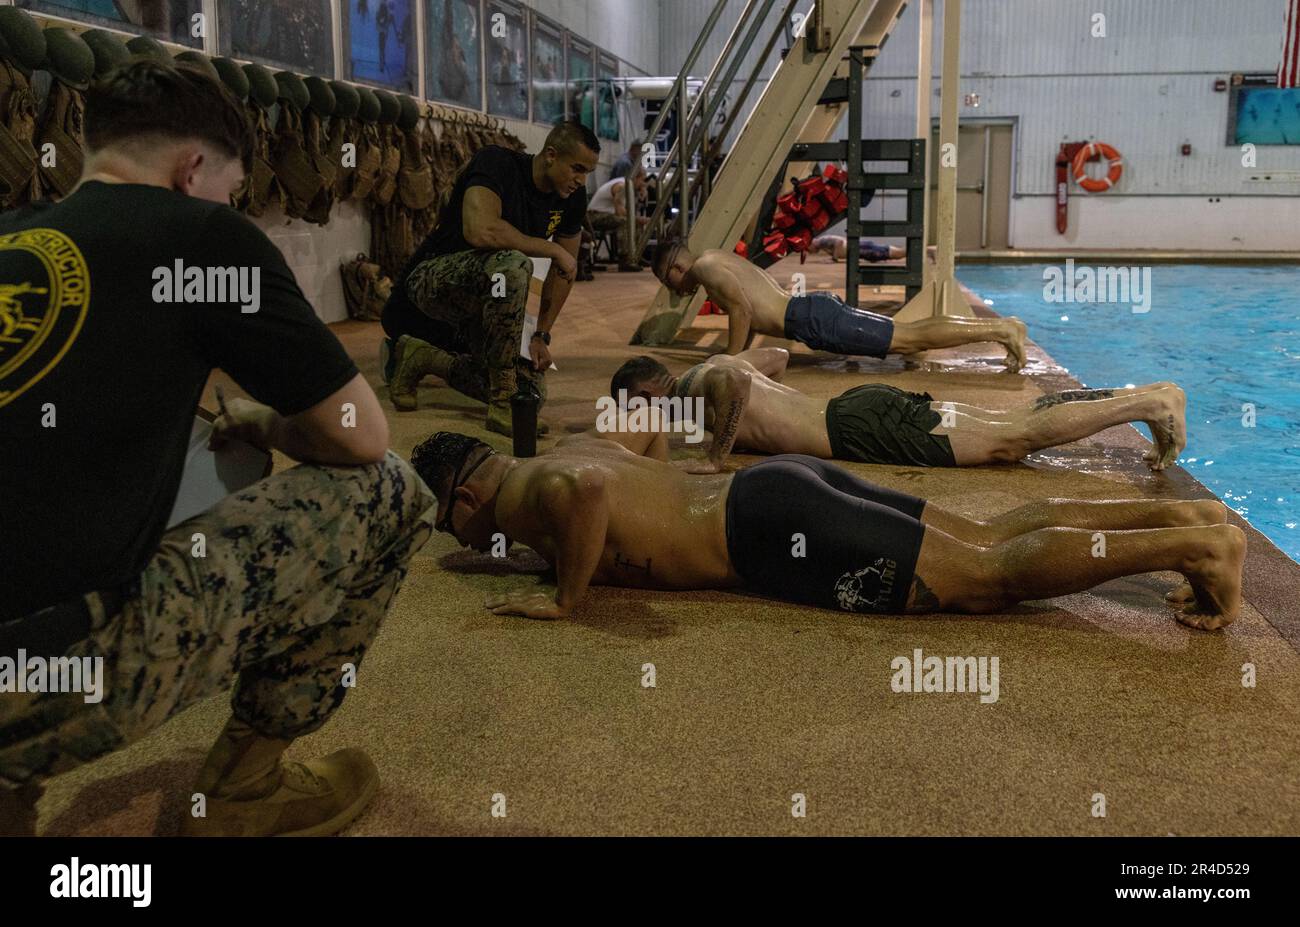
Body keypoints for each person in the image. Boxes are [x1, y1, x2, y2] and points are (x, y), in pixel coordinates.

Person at [0, 61, 435, 837]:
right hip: (39, 671)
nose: (232, 205)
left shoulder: (10, 235)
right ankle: (246, 787)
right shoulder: (201, 236)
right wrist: (266, 426)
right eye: (233, 190)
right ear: (193, 167)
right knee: (390, 489)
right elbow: (358, 432)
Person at [411, 431, 1243, 630]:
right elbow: (634, 454)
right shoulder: (553, 449)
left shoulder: (518, 495)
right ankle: (1174, 514)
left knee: (987, 575)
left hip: (767, 528)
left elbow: (590, 491)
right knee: (988, 532)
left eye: (452, 519)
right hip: (774, 488)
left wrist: (565, 599)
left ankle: (1195, 545)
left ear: (464, 490)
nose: (469, 535)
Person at [604, 349, 1187, 472]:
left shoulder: (696, 382)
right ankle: (1146, 396)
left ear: (651, 395)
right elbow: (772, 358)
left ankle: (1150, 402)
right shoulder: (714, 364)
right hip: (861, 408)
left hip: (857, 427)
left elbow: (730, 379)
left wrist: (716, 452)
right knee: (1012, 427)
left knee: (1012, 442)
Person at [380, 120, 596, 434]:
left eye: (587, 172)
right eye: (577, 168)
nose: (581, 179)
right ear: (551, 155)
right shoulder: (497, 163)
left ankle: (424, 358)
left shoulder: (570, 198)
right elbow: (481, 230)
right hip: (428, 289)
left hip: (482, 309)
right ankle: (501, 402)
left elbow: (567, 270)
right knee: (512, 265)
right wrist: (550, 250)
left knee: (533, 395)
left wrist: (541, 336)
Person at [652, 240, 1027, 369]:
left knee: (909, 339)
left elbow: (741, 312)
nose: (673, 289)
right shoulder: (714, 257)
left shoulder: (704, 268)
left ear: (676, 267)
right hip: (811, 313)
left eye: (667, 280)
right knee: (907, 335)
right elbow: (747, 313)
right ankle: (1002, 329)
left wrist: (727, 361)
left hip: (811, 319)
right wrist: (735, 355)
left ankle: (1001, 328)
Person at [587, 170, 648, 270]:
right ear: (636, 178)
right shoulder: (621, 186)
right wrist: (636, 219)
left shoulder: (629, 186)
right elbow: (620, 212)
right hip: (594, 215)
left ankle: (636, 255)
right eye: (643, 180)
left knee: (636, 223)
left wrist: (641, 193)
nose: (644, 183)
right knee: (624, 222)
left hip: (605, 214)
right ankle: (624, 259)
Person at [811, 234, 903, 263]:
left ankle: (910, 251)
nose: (810, 253)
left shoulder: (821, 241)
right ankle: (908, 251)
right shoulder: (822, 244)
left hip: (862, 249)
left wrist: (834, 258)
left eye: (808, 249)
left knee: (892, 254)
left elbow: (839, 242)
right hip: (861, 250)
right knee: (888, 254)